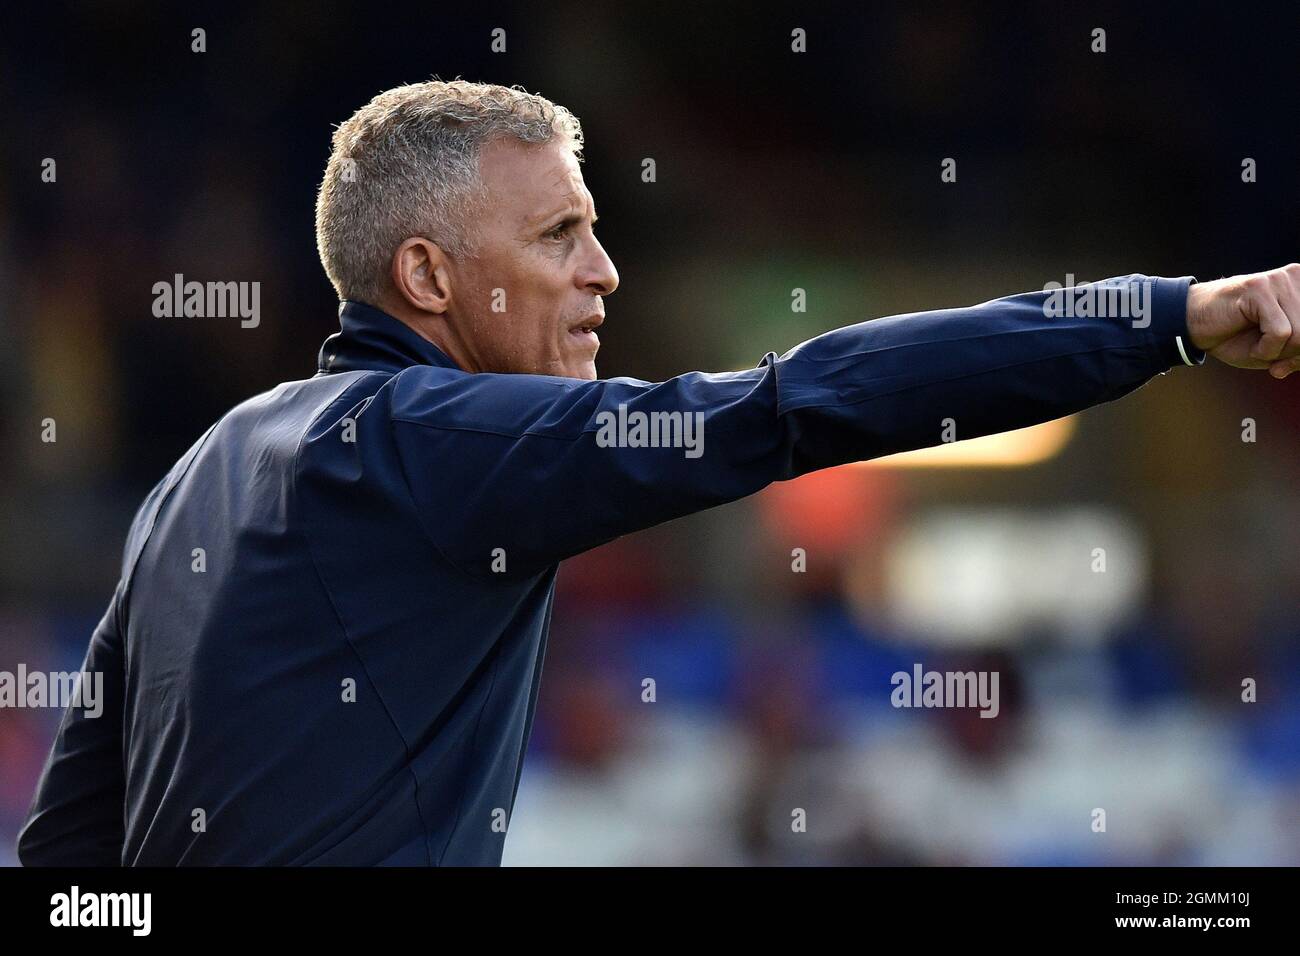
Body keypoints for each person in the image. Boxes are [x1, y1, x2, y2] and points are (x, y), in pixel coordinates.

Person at [18, 80, 1300, 866]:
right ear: (427, 278)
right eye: (561, 233)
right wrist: (1165, 315)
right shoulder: (453, 442)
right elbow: (797, 406)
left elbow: (69, 856)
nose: (605, 272)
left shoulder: (200, 471)